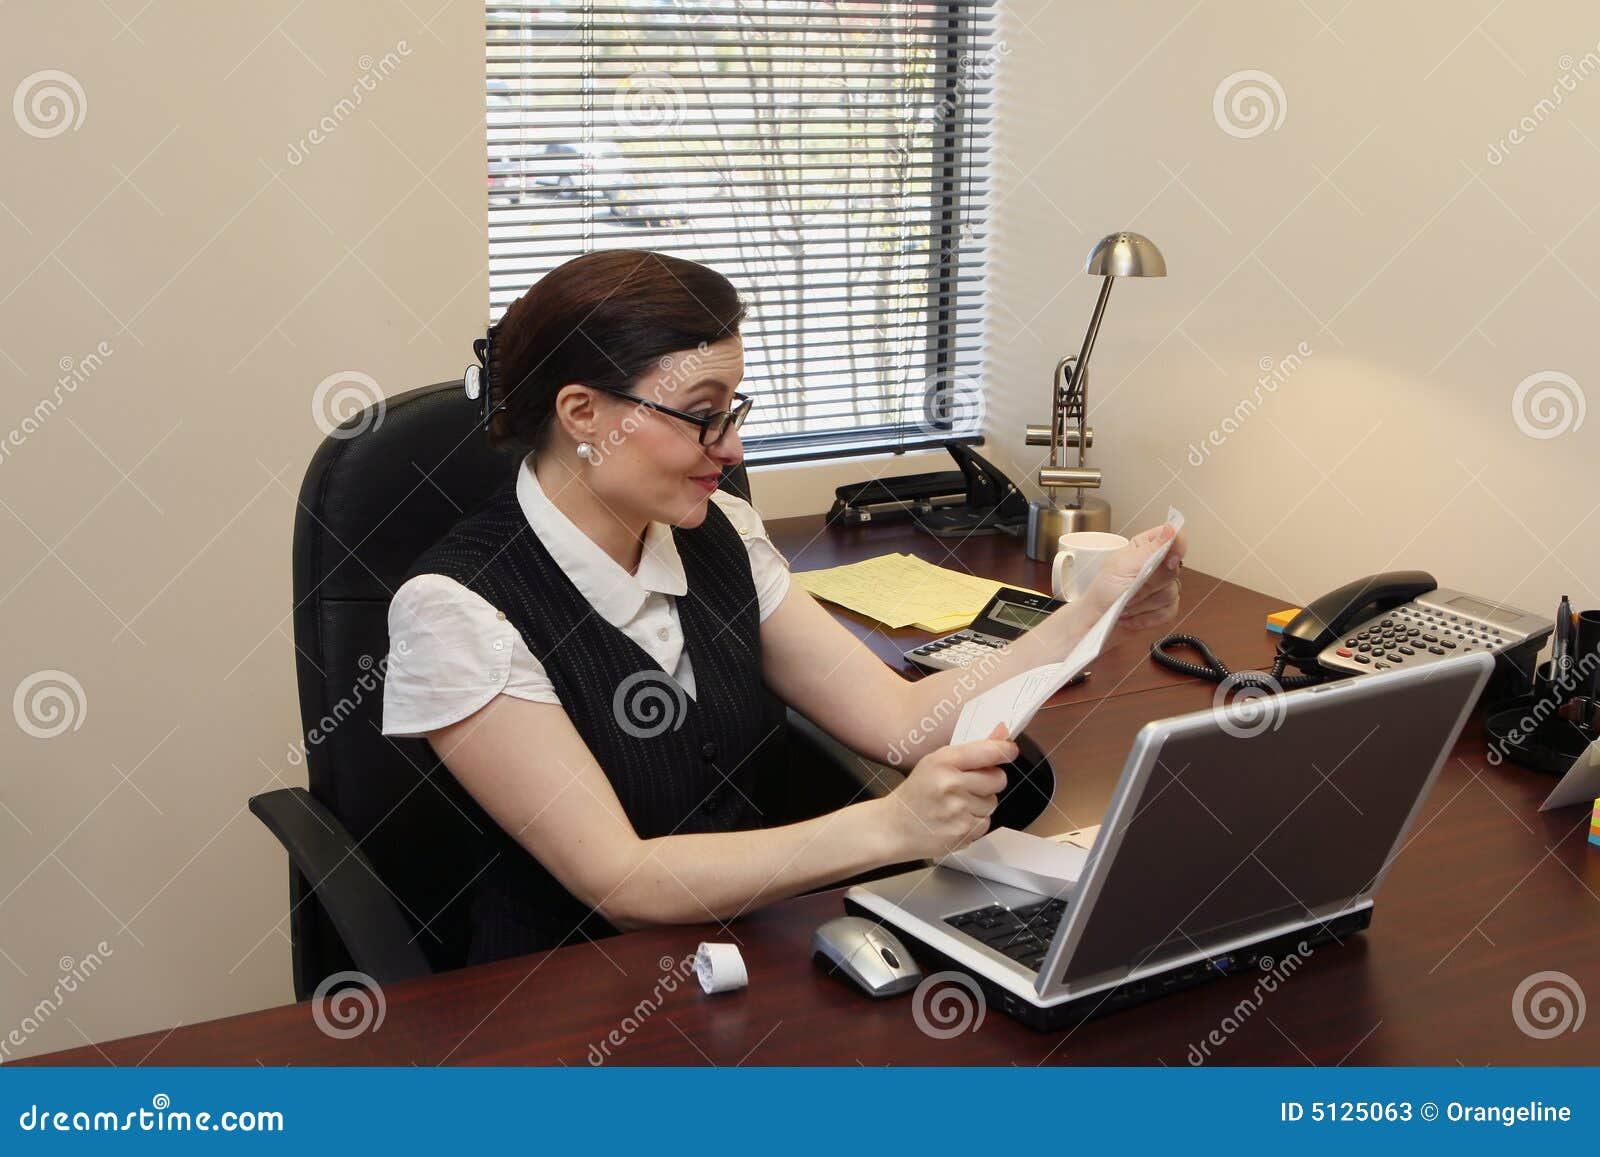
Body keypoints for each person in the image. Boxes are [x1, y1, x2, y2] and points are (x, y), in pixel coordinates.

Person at [381, 249, 1187, 963]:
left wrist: (1094, 613)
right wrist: (891, 827)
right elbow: (620, 878)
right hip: (568, 990)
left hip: (749, 950)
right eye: (703, 414)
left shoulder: (718, 530)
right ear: (583, 412)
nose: (731, 449)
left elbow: (896, 719)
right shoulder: (455, 608)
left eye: (734, 410)